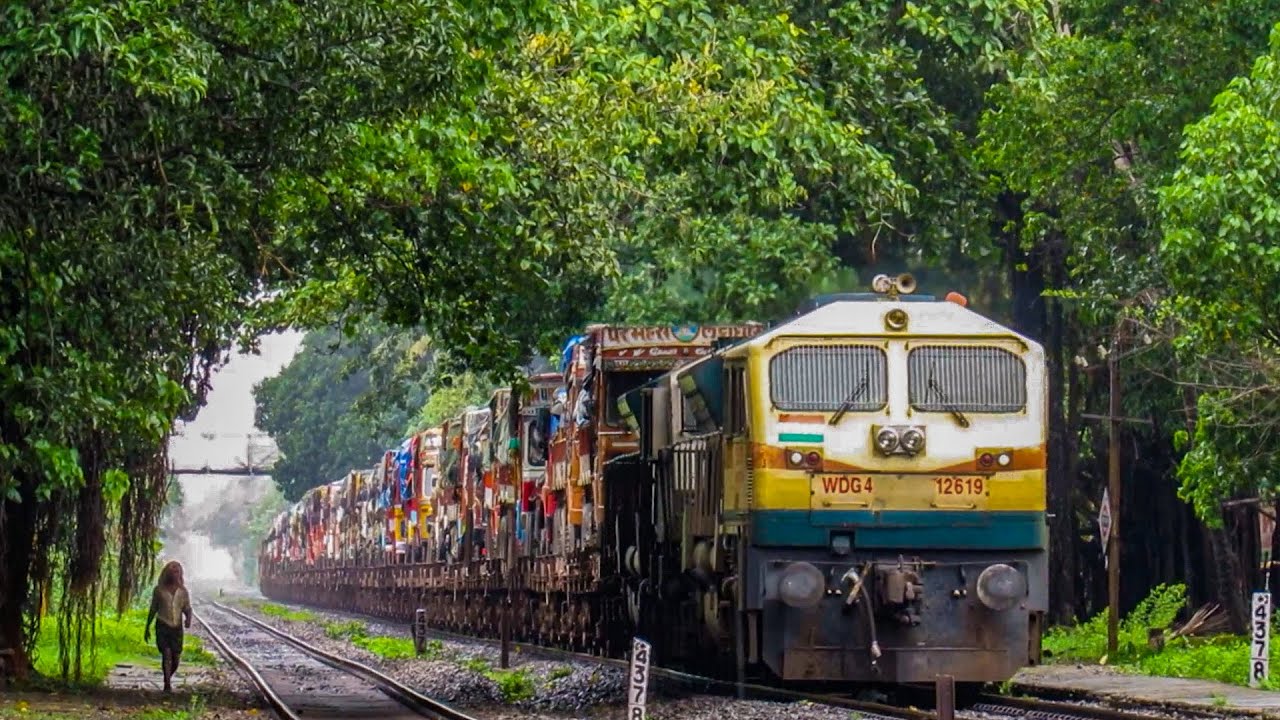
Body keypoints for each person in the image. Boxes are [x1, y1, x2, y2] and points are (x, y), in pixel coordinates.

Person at [143, 560, 192, 693]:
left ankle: (167, 677)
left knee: (176, 657)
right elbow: (153, 609)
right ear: (167, 574)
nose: (175, 574)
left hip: (177, 627)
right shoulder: (159, 590)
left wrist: (188, 619)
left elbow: (187, 608)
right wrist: (147, 627)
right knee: (167, 653)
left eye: (177, 572)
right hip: (162, 625)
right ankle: (167, 684)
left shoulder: (183, 591)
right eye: (173, 572)